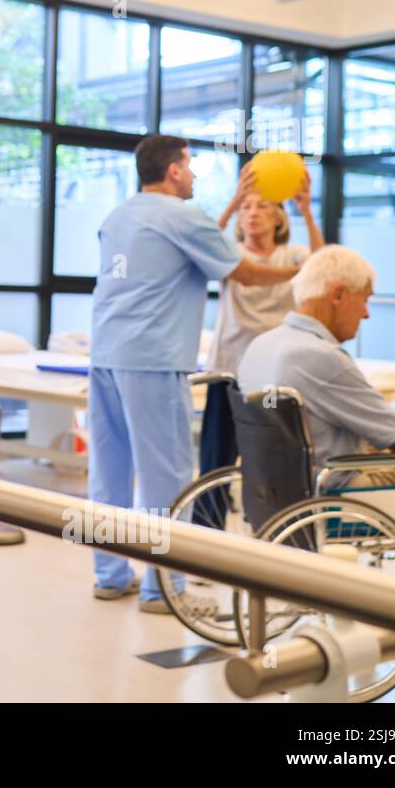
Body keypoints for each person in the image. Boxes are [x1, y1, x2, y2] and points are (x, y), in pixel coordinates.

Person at [88, 135, 297, 613]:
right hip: (153, 359)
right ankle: (165, 589)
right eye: (190, 164)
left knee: (110, 471)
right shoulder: (183, 216)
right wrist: (299, 274)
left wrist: (225, 207)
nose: (196, 173)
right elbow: (240, 271)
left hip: (106, 355)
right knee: (166, 475)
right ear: (174, 171)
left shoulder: (119, 215)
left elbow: (200, 246)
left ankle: (110, 574)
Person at [238, 245, 395, 540]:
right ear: (337, 295)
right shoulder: (321, 356)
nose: (367, 314)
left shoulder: (262, 346)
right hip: (339, 496)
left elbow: (388, 432)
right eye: (365, 299)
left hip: (275, 495)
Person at [200, 166, 324, 475]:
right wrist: (231, 203)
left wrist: (307, 213)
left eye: (262, 206)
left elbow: (321, 267)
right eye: (246, 207)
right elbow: (203, 245)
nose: (252, 213)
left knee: (275, 461)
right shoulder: (231, 253)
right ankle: (205, 521)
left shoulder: (292, 253)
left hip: (274, 371)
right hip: (229, 367)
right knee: (217, 459)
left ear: (279, 217)